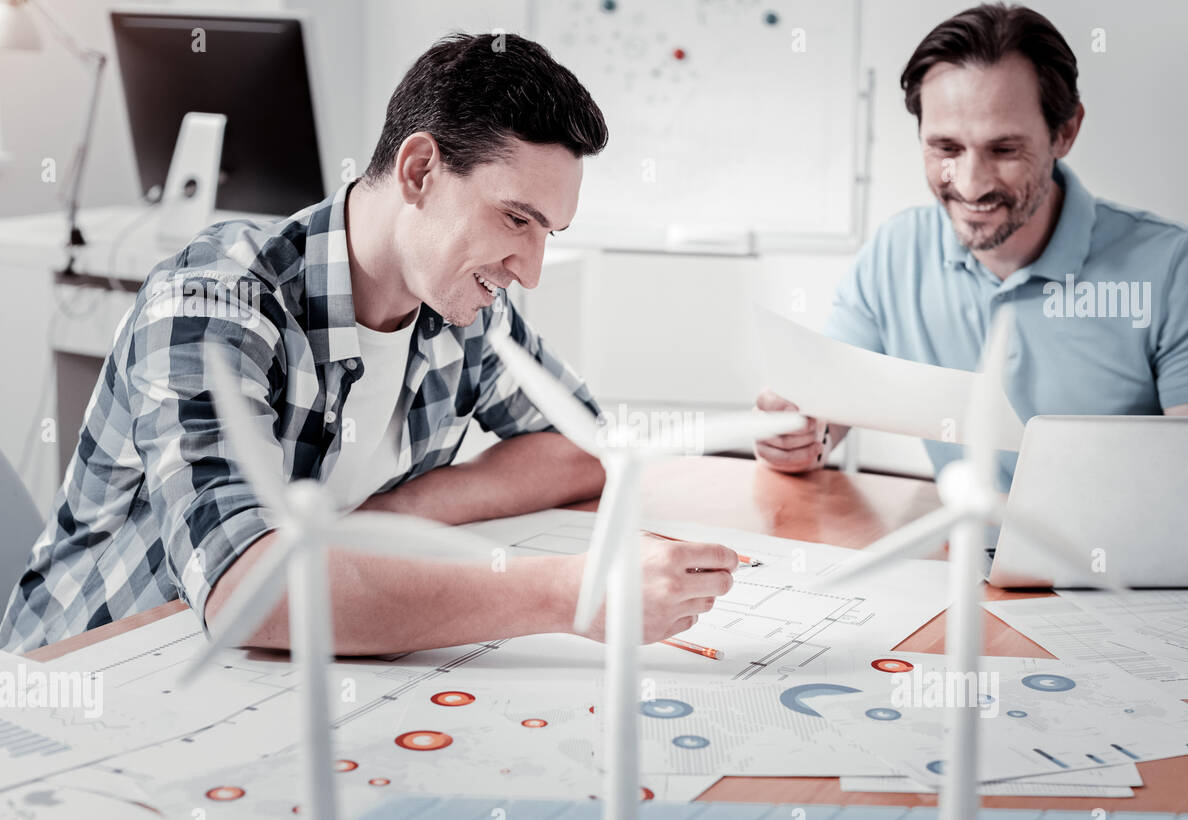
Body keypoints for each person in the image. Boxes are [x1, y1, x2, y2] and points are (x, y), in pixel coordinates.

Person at [1, 33, 736, 655]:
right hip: (99, 670)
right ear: (419, 170)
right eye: (516, 219)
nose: (532, 271)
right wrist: (571, 595)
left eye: (549, 233)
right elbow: (250, 593)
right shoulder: (215, 298)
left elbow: (581, 447)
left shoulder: (465, 309)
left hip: (269, 675)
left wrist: (404, 513)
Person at [755, 3, 1188, 485]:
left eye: (1004, 150)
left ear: (1065, 133)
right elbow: (828, 411)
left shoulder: (1171, 268)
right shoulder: (896, 251)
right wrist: (800, 437)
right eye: (946, 148)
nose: (972, 184)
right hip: (963, 558)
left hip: (1118, 569)